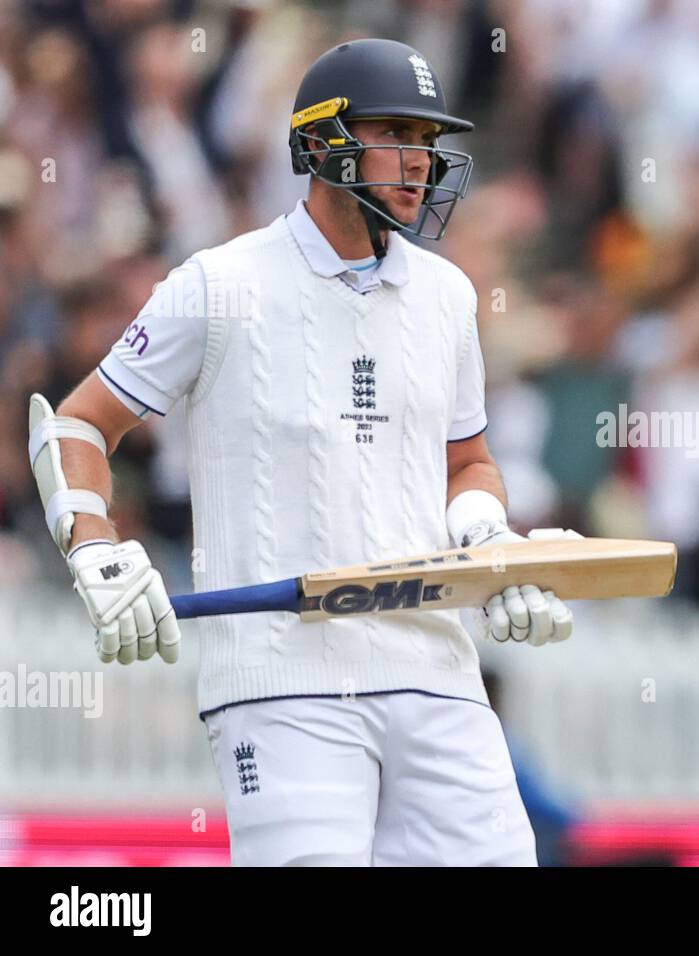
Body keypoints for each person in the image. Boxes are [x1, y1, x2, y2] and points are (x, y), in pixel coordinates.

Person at [27, 38, 572, 866]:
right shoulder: (219, 285)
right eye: (396, 133)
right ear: (321, 144)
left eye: (428, 141)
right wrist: (97, 549)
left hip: (436, 669)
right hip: (282, 682)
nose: (420, 161)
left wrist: (486, 542)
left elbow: (467, 461)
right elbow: (78, 424)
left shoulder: (449, 296)